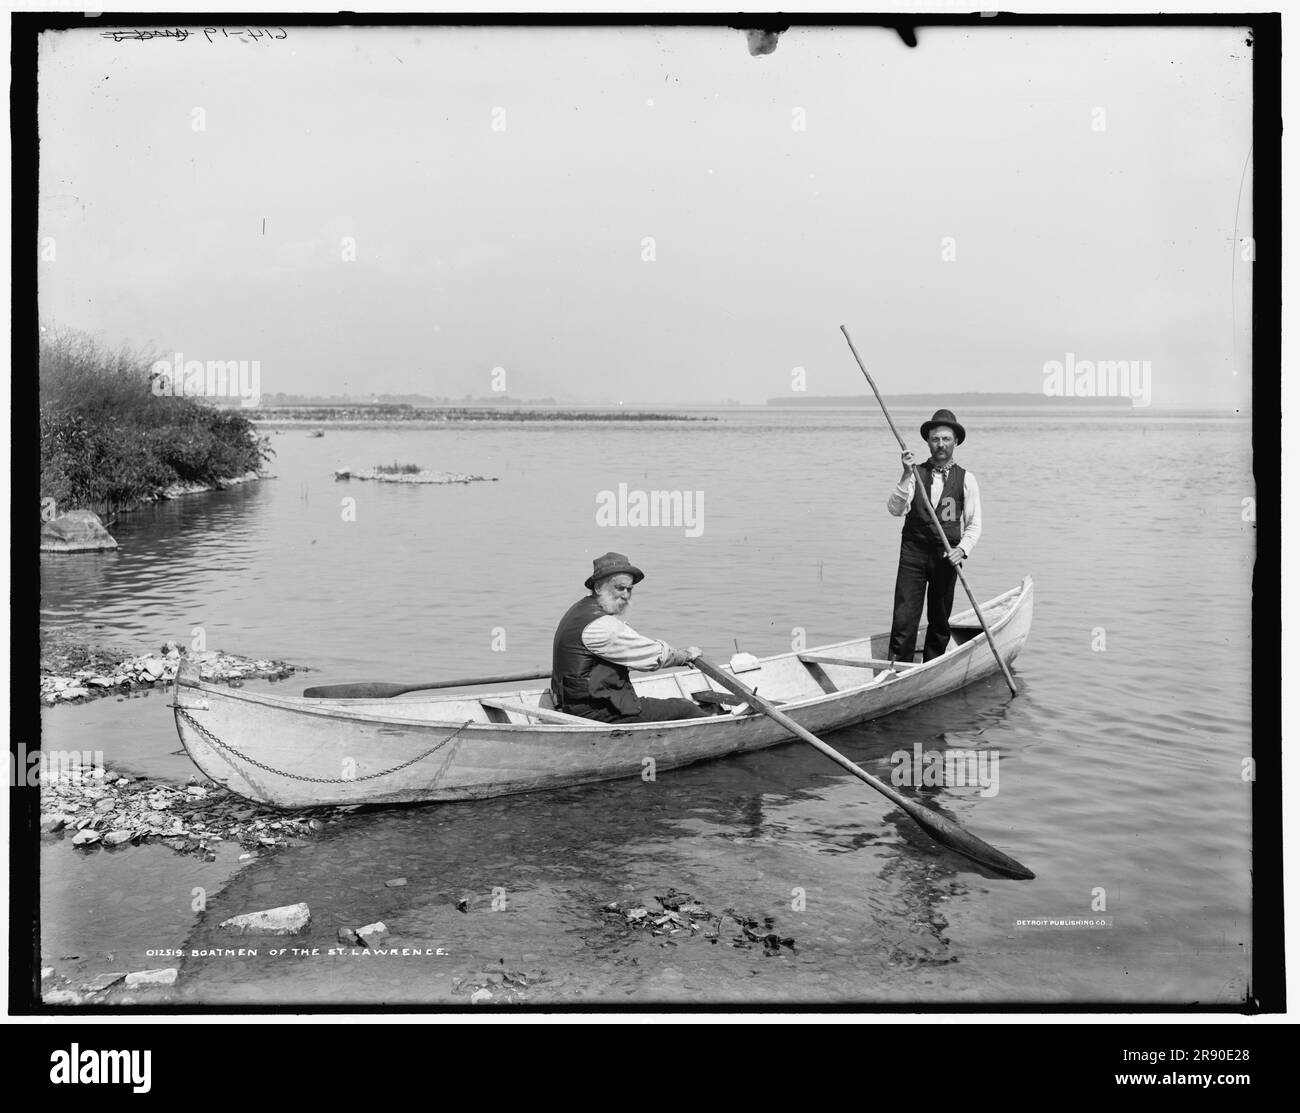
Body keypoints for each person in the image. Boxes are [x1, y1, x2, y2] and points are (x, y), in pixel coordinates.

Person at [551, 552, 710, 723]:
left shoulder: (580, 609)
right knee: (685, 708)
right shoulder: (601, 626)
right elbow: (651, 656)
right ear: (598, 588)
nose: (626, 595)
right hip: (593, 711)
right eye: (619, 588)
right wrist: (685, 656)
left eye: (629, 589)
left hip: (573, 702)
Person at [886, 409, 982, 664]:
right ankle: (897, 668)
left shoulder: (966, 479)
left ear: (955, 442)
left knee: (939, 619)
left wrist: (962, 550)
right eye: (935, 439)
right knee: (904, 617)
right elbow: (895, 510)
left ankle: (931, 666)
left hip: (946, 556)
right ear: (928, 442)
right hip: (913, 555)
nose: (941, 444)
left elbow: (973, 525)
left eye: (946, 439)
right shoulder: (915, 474)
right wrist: (906, 474)